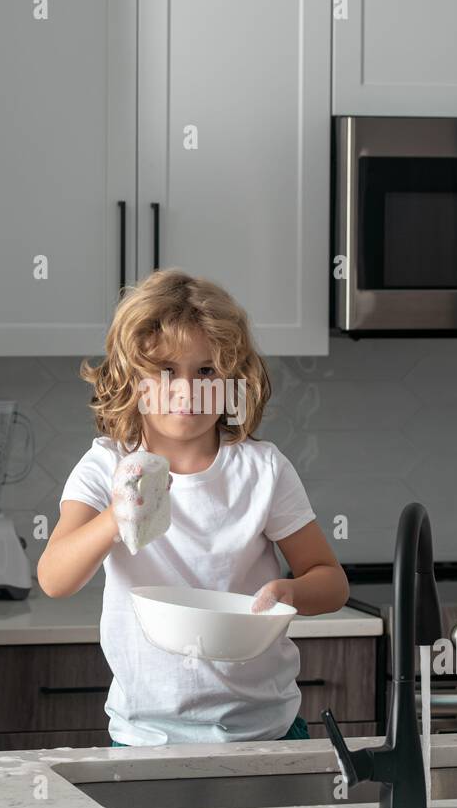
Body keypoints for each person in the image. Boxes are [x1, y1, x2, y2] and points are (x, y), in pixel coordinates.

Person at [37, 268, 349, 746]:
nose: (186, 391)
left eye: (206, 371)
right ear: (132, 380)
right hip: (144, 735)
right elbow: (55, 579)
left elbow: (331, 581)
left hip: (263, 732)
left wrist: (291, 593)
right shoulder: (107, 465)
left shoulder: (261, 470)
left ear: (231, 380)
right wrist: (116, 517)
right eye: (165, 372)